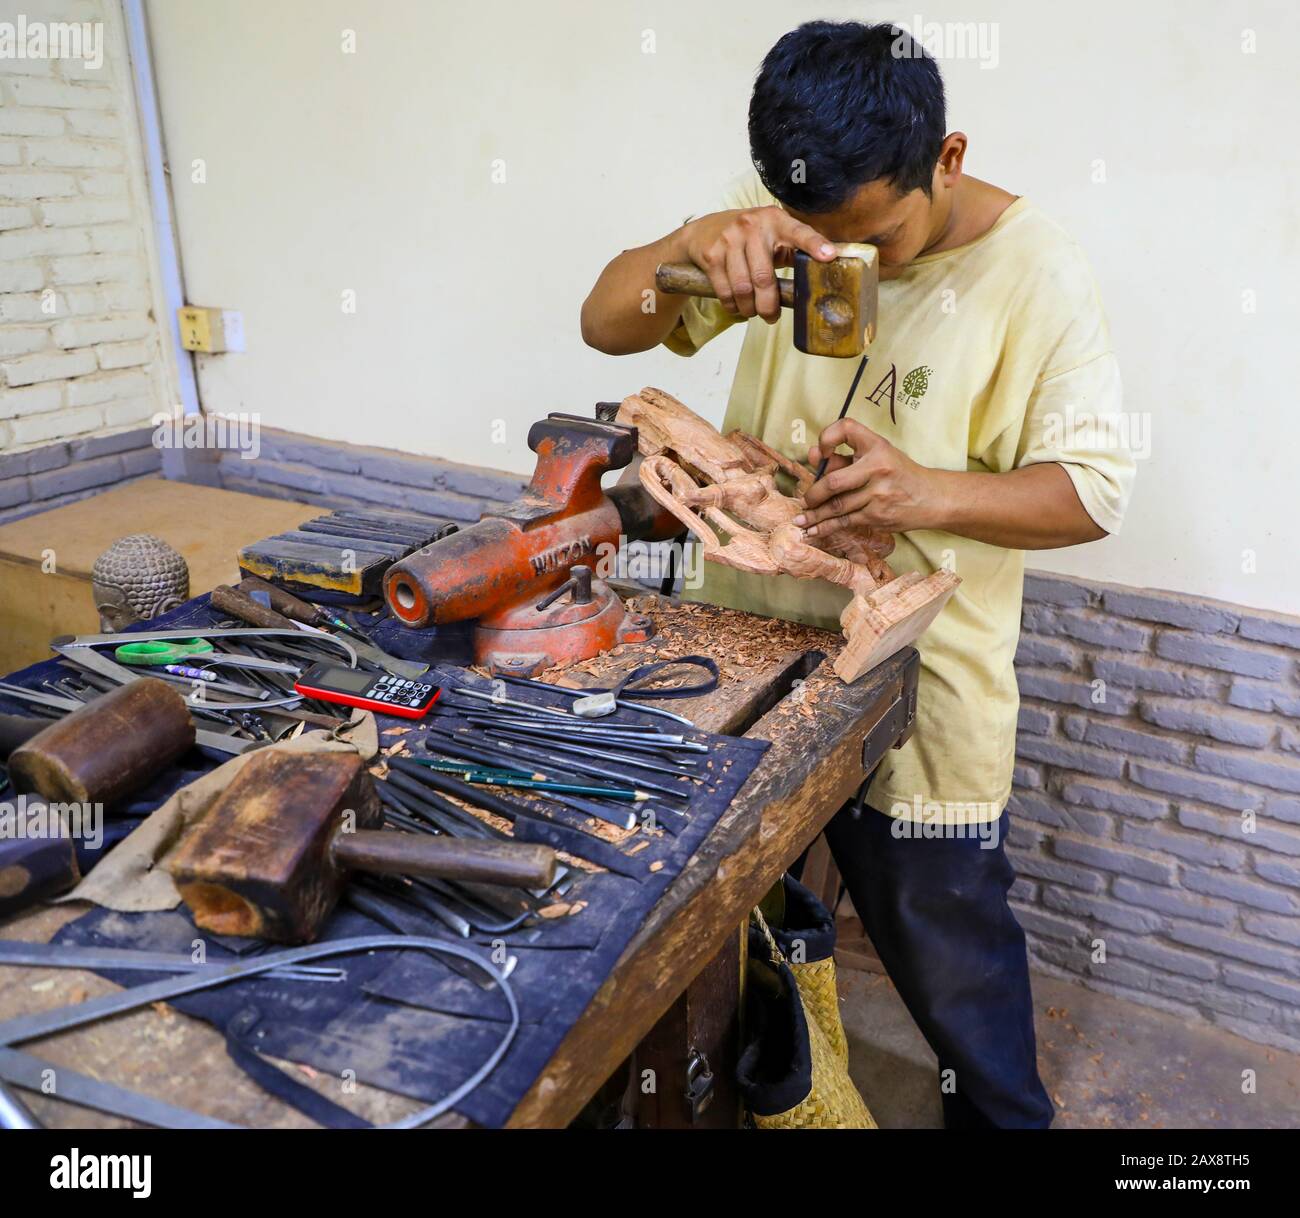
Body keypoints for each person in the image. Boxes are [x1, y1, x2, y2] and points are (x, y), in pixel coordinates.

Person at [581, 20, 1135, 1127]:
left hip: (916, 686)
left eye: (878, 237)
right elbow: (605, 325)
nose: (853, 268)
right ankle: (782, 1088)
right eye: (824, 241)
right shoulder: (793, 207)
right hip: (742, 667)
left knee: (954, 971)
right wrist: (695, 239)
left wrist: (924, 492)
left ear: (949, 157)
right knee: (738, 935)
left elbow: (1091, 493)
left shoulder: (1037, 271)